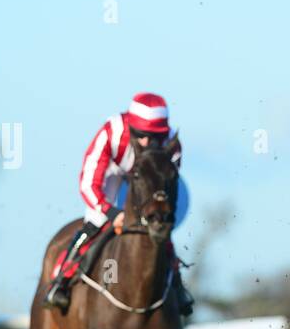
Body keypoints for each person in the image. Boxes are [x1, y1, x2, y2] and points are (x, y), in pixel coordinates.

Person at [43, 93, 194, 316]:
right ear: (131, 128)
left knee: (158, 227)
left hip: (144, 180)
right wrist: (111, 212)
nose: (147, 142)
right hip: (113, 174)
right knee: (96, 221)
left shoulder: (172, 144)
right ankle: (61, 279)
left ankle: (177, 284)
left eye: (155, 136)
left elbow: (169, 186)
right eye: (141, 135)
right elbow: (88, 183)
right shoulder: (111, 132)